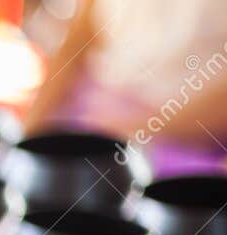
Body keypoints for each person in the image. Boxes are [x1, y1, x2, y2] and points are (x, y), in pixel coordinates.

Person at [25, 0, 227, 173]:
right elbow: (78, 38)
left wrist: (130, 131)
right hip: (94, 114)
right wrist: (27, 132)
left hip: (185, 140)